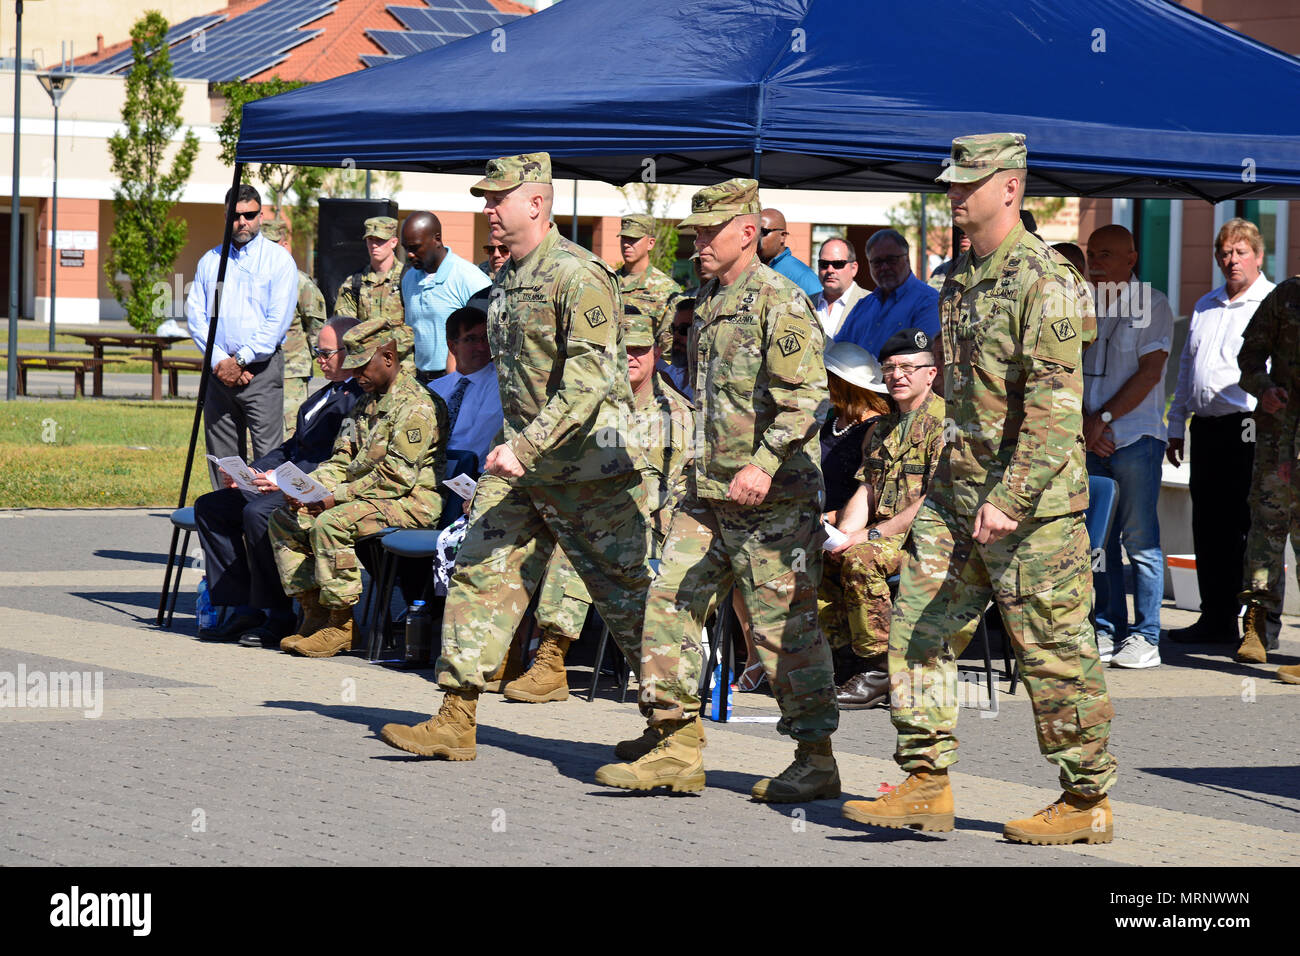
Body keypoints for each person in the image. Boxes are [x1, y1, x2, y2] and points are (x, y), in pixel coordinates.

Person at [841, 133, 1117, 845]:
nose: (957, 195)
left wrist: (1011, 498)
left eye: (972, 183)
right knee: (918, 632)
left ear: (1011, 188)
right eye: (953, 184)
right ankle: (926, 779)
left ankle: (1086, 799)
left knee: (1053, 654)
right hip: (954, 495)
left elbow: (1055, 414)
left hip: (1034, 511)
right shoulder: (958, 275)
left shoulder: (1044, 279)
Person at [377, 152, 651, 762]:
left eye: (498, 198)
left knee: (624, 595)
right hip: (523, 469)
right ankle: (456, 714)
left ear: (537, 202)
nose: (488, 209)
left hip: (586, 467)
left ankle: (675, 729)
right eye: (485, 198)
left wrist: (524, 446)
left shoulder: (579, 277)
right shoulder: (504, 281)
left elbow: (585, 382)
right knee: (478, 568)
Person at [595, 178, 840, 803]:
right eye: (696, 232)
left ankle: (815, 756)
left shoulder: (779, 302)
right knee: (668, 601)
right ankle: (674, 742)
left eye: (710, 233)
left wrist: (761, 463)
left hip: (773, 498)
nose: (698, 243)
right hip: (707, 491)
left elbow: (807, 401)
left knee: (782, 630)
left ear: (748, 234)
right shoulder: (703, 300)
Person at [501, 305, 695, 703]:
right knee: (511, 531)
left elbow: (676, 494)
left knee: (578, 544)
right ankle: (501, 650)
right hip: (589, 510)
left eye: (641, 349)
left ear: (656, 353)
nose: (631, 358)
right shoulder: (592, 405)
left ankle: (552, 659)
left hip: (649, 526)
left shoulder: (675, 414)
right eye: (624, 349)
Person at [268, 319, 448, 659]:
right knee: (285, 519)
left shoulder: (418, 406)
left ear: (389, 359)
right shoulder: (364, 402)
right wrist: (308, 489)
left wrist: (335, 497)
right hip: (367, 495)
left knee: (331, 523)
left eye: (362, 365)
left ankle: (342, 625)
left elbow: (396, 476)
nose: (355, 374)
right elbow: (342, 459)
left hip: (411, 501)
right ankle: (315, 613)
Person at [193, 317, 364, 646]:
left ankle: (277, 613)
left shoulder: (357, 399)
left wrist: (282, 479)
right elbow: (291, 447)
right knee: (211, 507)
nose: (320, 359)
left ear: (351, 351)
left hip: (312, 487)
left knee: (258, 513)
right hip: (285, 479)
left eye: (327, 352)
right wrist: (251, 471)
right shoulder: (322, 395)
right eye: (318, 351)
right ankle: (241, 605)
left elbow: (337, 459)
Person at [1166, 219, 1276, 646]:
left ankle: (1254, 624)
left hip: (1248, 427)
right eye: (1226, 253)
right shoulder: (1205, 305)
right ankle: (1215, 618)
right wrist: (1176, 425)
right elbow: (1186, 372)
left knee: (1245, 526)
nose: (1232, 261)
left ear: (1258, 256)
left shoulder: (1271, 303)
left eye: (1241, 252)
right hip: (1206, 428)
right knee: (1208, 524)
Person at [822, 330, 945, 710]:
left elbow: (929, 502)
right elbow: (867, 488)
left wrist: (868, 535)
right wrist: (844, 534)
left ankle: (879, 671)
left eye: (909, 367)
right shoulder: (882, 428)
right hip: (886, 538)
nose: (897, 375)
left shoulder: (946, 425)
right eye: (890, 368)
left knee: (862, 557)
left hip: (932, 541)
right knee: (828, 554)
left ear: (931, 373)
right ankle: (843, 660)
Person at [1082, 224, 1174, 669]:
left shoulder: (1152, 304)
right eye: (1090, 253)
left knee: (1140, 540)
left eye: (1105, 254)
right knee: (1098, 539)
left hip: (1134, 437)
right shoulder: (1081, 301)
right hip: (1091, 439)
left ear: (1131, 259)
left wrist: (1101, 420)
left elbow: (1150, 373)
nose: (1095, 263)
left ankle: (1147, 635)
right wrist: (1088, 427)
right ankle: (1106, 627)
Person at [186, 184, 299, 491]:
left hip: (260, 372)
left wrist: (241, 359)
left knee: (269, 457)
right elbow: (196, 316)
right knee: (223, 460)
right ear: (226, 216)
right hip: (219, 372)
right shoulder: (210, 261)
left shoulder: (278, 261)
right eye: (236, 216)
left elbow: (277, 322)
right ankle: (227, 525)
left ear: (261, 215)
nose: (243, 222)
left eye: (249, 215)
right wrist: (221, 360)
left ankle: (264, 529)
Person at [1235, 276, 1300, 668]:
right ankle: (1256, 625)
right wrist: (1263, 387)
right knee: (1265, 529)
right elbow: (1250, 354)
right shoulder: (1287, 295)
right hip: (1278, 440)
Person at [400, 211, 491, 384]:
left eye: (415, 247)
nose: (410, 254)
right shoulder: (408, 279)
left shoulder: (471, 279)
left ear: (437, 239)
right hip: (419, 379)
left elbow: (486, 339)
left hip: (460, 379)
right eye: (406, 248)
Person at [260, 219, 326, 437]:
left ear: (285, 245)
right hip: (260, 369)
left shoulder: (300, 283)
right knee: (260, 433)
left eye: (273, 244)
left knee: (291, 433)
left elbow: (316, 328)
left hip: (292, 372)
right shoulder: (255, 280)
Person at [835, 229, 940, 360]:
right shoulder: (863, 306)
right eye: (877, 262)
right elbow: (838, 351)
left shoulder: (928, 301)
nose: (884, 267)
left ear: (907, 259)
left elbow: (925, 358)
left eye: (891, 260)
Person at [426, 306, 503, 471]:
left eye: (485, 338)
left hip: (471, 474)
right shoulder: (434, 389)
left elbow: (477, 445)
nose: (482, 347)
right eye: (471, 339)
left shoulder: (499, 385)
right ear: (452, 346)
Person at [616, 213, 683, 352]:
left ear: (650, 243)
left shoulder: (668, 289)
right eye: (624, 238)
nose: (627, 244)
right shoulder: (607, 282)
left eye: (634, 239)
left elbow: (669, 343)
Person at [333, 216, 405, 328]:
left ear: (393, 242)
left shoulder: (407, 278)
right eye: (370, 239)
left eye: (380, 239)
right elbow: (344, 328)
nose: (374, 245)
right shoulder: (353, 284)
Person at [758, 207, 822, 298]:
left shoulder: (802, 276)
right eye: (755, 232)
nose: (757, 238)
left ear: (783, 236)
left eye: (763, 232)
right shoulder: (753, 269)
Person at [813, 237, 868, 338]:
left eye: (838, 264)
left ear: (854, 268)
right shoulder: (804, 304)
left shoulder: (872, 304)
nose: (830, 270)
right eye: (824, 264)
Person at [658, 298, 693, 399]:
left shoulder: (714, 380)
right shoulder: (671, 372)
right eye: (674, 329)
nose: (676, 336)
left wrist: (671, 390)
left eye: (684, 329)